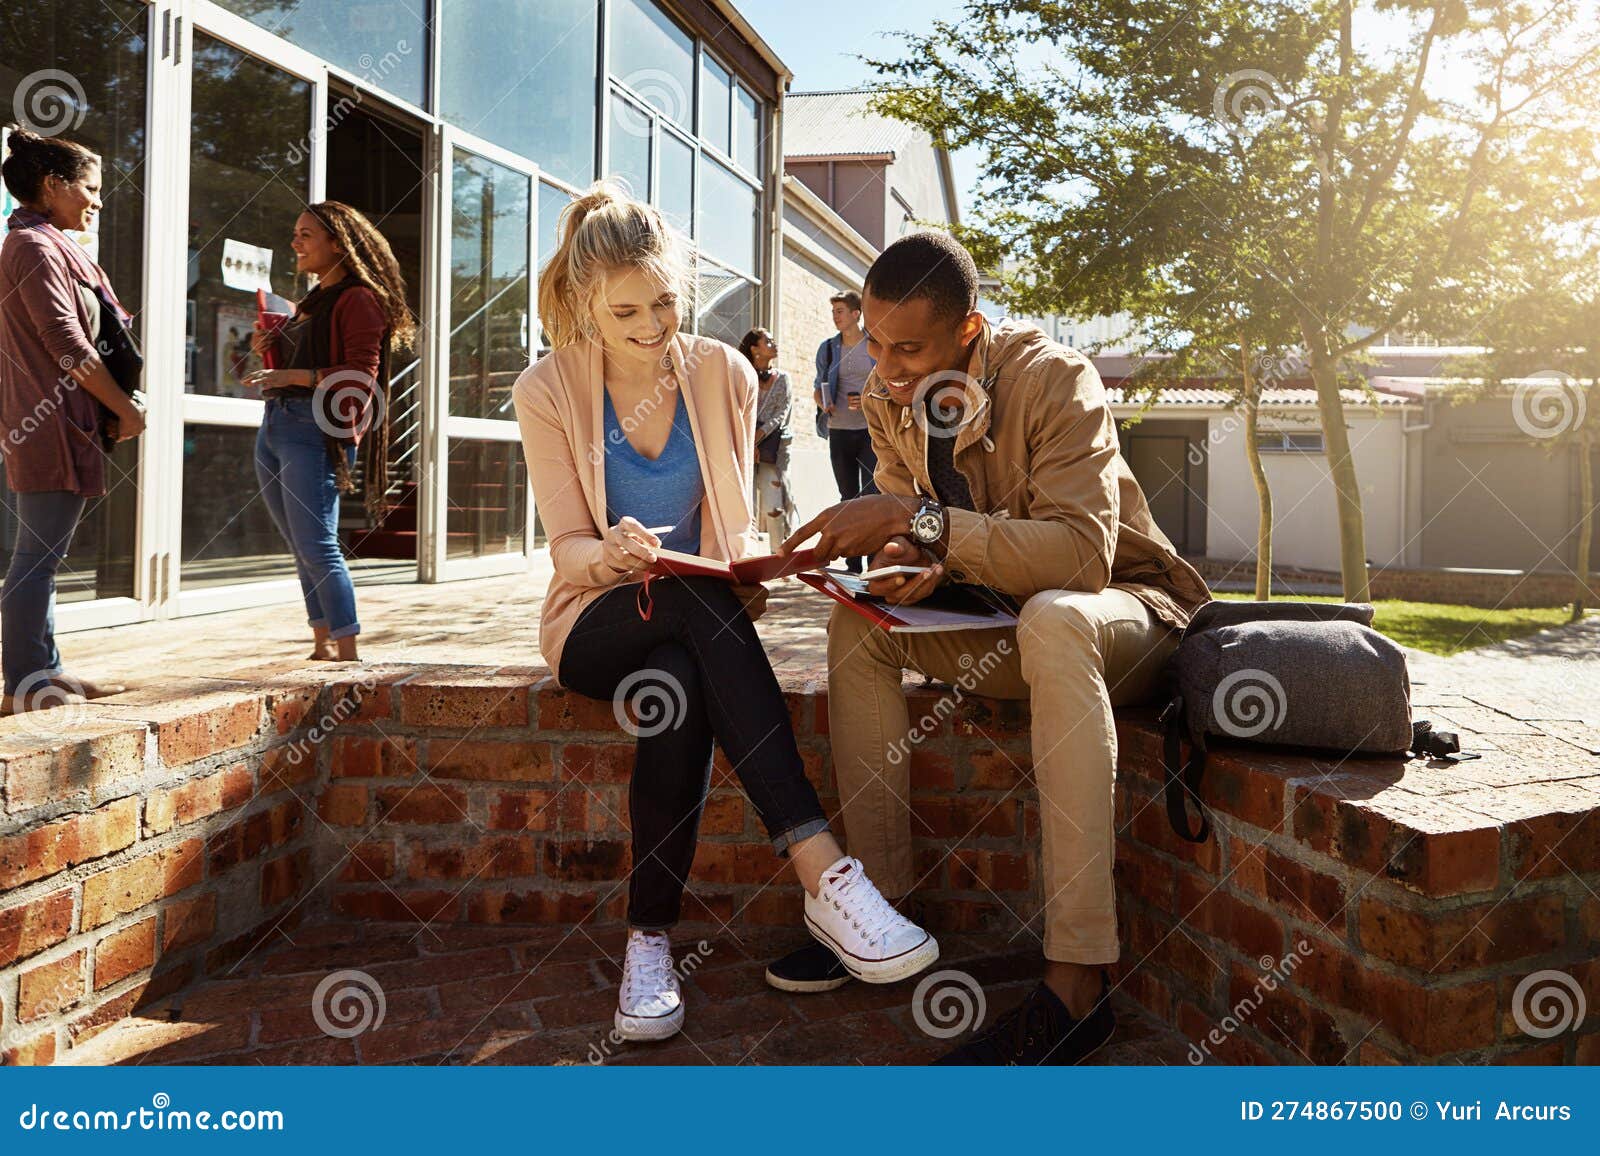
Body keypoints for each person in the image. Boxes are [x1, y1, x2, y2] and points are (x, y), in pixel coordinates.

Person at [769, 231, 1213, 1064]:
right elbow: (925, 537)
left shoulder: (1056, 380)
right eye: (873, 343)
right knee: (855, 628)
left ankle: (1079, 984)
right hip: (1007, 626)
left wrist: (915, 524)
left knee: (1055, 616)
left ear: (969, 333)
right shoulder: (889, 400)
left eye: (910, 349)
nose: (888, 369)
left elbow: (1083, 558)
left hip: (1128, 619)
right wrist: (901, 567)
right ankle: (881, 913)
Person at [513, 183, 937, 1045]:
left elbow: (732, 519)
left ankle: (647, 944)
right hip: (596, 619)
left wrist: (755, 554)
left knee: (678, 681)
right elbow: (564, 547)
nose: (651, 324)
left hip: (690, 622)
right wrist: (614, 554)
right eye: (626, 308)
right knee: (686, 607)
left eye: (665, 302)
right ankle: (827, 875)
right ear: (586, 302)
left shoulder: (724, 372)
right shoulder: (547, 388)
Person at [0, 127, 145, 715]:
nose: (98, 200)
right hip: (47, 423)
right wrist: (124, 405)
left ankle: (44, 671)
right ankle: (26, 683)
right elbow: (65, 341)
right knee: (35, 560)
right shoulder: (33, 248)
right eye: (90, 188)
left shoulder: (48, 244)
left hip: (60, 419)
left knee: (44, 556)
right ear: (53, 185)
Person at [242, 201, 414, 661]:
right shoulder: (312, 302)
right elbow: (304, 364)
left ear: (338, 243)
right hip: (277, 423)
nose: (295, 242)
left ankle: (348, 649)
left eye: (306, 235)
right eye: (295, 233)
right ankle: (322, 645)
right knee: (300, 544)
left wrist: (293, 377)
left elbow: (360, 374)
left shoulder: (359, 298)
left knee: (318, 543)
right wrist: (270, 351)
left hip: (314, 429)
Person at [813, 290, 876, 572]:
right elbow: (818, 386)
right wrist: (822, 402)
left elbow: (888, 382)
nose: (835, 316)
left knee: (873, 494)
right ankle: (853, 561)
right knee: (848, 495)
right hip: (838, 429)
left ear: (855, 314)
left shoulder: (873, 346)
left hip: (871, 430)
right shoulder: (828, 348)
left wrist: (865, 397)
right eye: (833, 312)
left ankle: (876, 558)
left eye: (840, 311)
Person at [737, 327, 797, 548]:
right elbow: (737, 408)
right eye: (768, 341)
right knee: (746, 505)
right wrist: (747, 443)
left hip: (772, 450)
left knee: (774, 506)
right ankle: (747, 554)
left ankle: (778, 555)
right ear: (755, 349)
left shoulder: (783, 379)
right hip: (743, 448)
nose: (774, 344)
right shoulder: (742, 375)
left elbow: (781, 414)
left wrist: (756, 439)